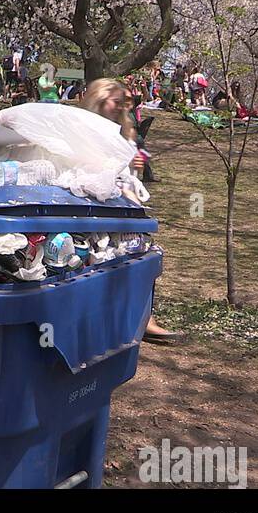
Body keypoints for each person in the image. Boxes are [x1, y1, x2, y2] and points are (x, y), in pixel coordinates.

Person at [79, 78, 183, 344]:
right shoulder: (81, 127)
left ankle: (145, 317)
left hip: (122, 206)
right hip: (91, 204)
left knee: (144, 251)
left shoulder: (125, 131)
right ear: (99, 99)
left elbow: (130, 175)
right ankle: (110, 319)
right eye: (116, 101)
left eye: (123, 103)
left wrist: (134, 166)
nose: (120, 107)